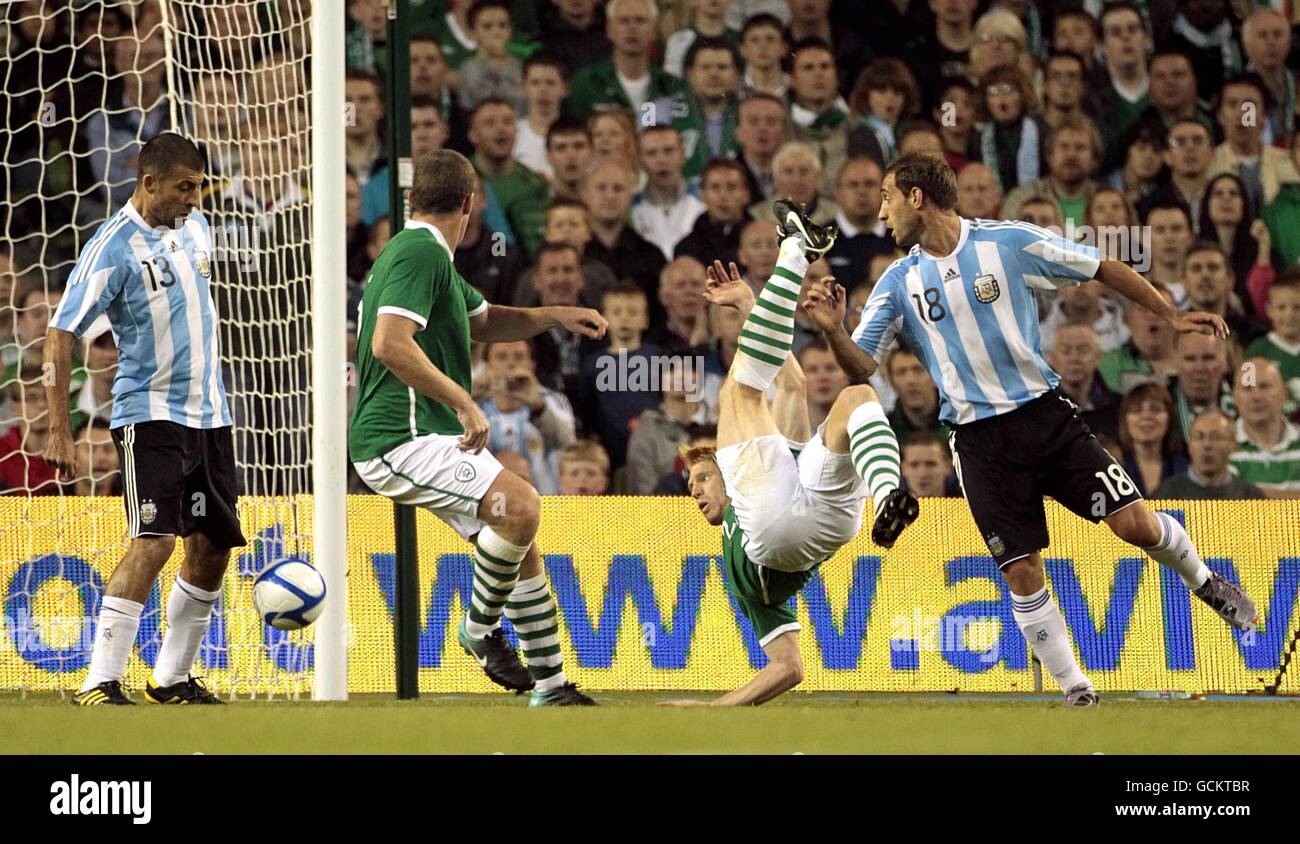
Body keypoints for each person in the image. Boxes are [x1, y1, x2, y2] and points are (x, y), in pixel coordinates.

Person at [804, 152, 1258, 707]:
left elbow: (1098, 265)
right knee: (1020, 567)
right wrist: (832, 331)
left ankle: (1204, 583)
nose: (882, 212)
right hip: (977, 442)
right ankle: (1076, 689)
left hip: (1045, 417)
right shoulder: (899, 281)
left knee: (1136, 526)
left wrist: (1170, 314)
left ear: (916, 197)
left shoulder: (1009, 243)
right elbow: (863, 367)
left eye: (887, 197)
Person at [348, 149, 607, 706]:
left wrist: (553, 315)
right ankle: (479, 629)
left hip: (426, 433)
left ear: (413, 199)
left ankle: (552, 687)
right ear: (470, 203)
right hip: (399, 435)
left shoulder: (425, 255)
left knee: (518, 540)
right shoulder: (419, 254)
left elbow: (485, 321)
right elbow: (389, 344)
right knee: (523, 507)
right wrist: (465, 401)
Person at [672, 220, 919, 707]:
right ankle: (795, 250)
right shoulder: (739, 545)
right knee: (740, 391)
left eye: (702, 477)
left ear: (727, 472)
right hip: (796, 530)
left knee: (856, 396)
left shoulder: (768, 474)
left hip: (820, 524)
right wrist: (717, 707)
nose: (695, 491)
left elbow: (794, 383)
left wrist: (748, 304)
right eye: (692, 484)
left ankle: (889, 493)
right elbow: (790, 669)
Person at [43, 134, 243, 705]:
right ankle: (100, 678)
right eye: (185, 187)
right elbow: (60, 336)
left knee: (212, 546)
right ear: (148, 181)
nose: (194, 199)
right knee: (153, 539)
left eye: (199, 187)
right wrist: (61, 430)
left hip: (211, 415)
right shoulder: (111, 246)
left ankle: (171, 677)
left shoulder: (196, 228)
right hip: (149, 414)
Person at [1154, 410, 1267, 500]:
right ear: (1189, 445)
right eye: (1199, 437)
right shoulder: (1167, 496)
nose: (1206, 445)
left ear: (1234, 446)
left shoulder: (1251, 498)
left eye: (1215, 437)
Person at [1230, 358, 1300, 497]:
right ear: (1234, 397)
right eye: (1247, 388)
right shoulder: (1222, 446)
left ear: (1284, 393)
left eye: (1264, 386)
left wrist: (1253, 495)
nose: (1256, 396)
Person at [1118, 382, 1188, 499]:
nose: (1146, 416)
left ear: (1169, 418)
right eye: (1136, 410)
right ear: (1125, 420)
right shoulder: (1111, 467)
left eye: (1155, 409)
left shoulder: (1184, 467)